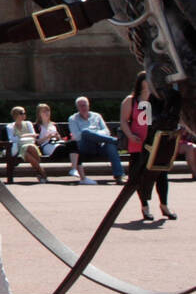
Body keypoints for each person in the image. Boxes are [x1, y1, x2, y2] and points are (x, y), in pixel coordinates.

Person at [121, 73, 176, 221]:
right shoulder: (131, 100)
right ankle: (144, 207)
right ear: (141, 82)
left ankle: (164, 206)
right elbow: (124, 121)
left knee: (162, 175)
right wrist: (130, 135)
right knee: (139, 175)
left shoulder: (158, 100)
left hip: (156, 143)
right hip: (138, 143)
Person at [67, 96, 126, 184]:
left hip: (99, 145)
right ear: (77, 107)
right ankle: (116, 141)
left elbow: (106, 131)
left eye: (85, 105)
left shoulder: (97, 116)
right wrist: (92, 133)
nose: (83, 107)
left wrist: (95, 134)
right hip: (84, 148)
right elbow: (77, 136)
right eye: (80, 106)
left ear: (88, 105)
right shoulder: (73, 119)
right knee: (85, 132)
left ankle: (119, 176)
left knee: (110, 146)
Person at [7, 106, 47, 182]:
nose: (24, 115)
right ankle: (42, 173)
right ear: (15, 115)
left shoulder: (28, 124)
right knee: (27, 149)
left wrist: (21, 136)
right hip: (19, 147)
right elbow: (12, 139)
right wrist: (25, 136)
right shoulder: (10, 126)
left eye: (24, 113)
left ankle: (40, 173)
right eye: (21, 113)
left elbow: (34, 135)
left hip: (30, 144)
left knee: (30, 147)